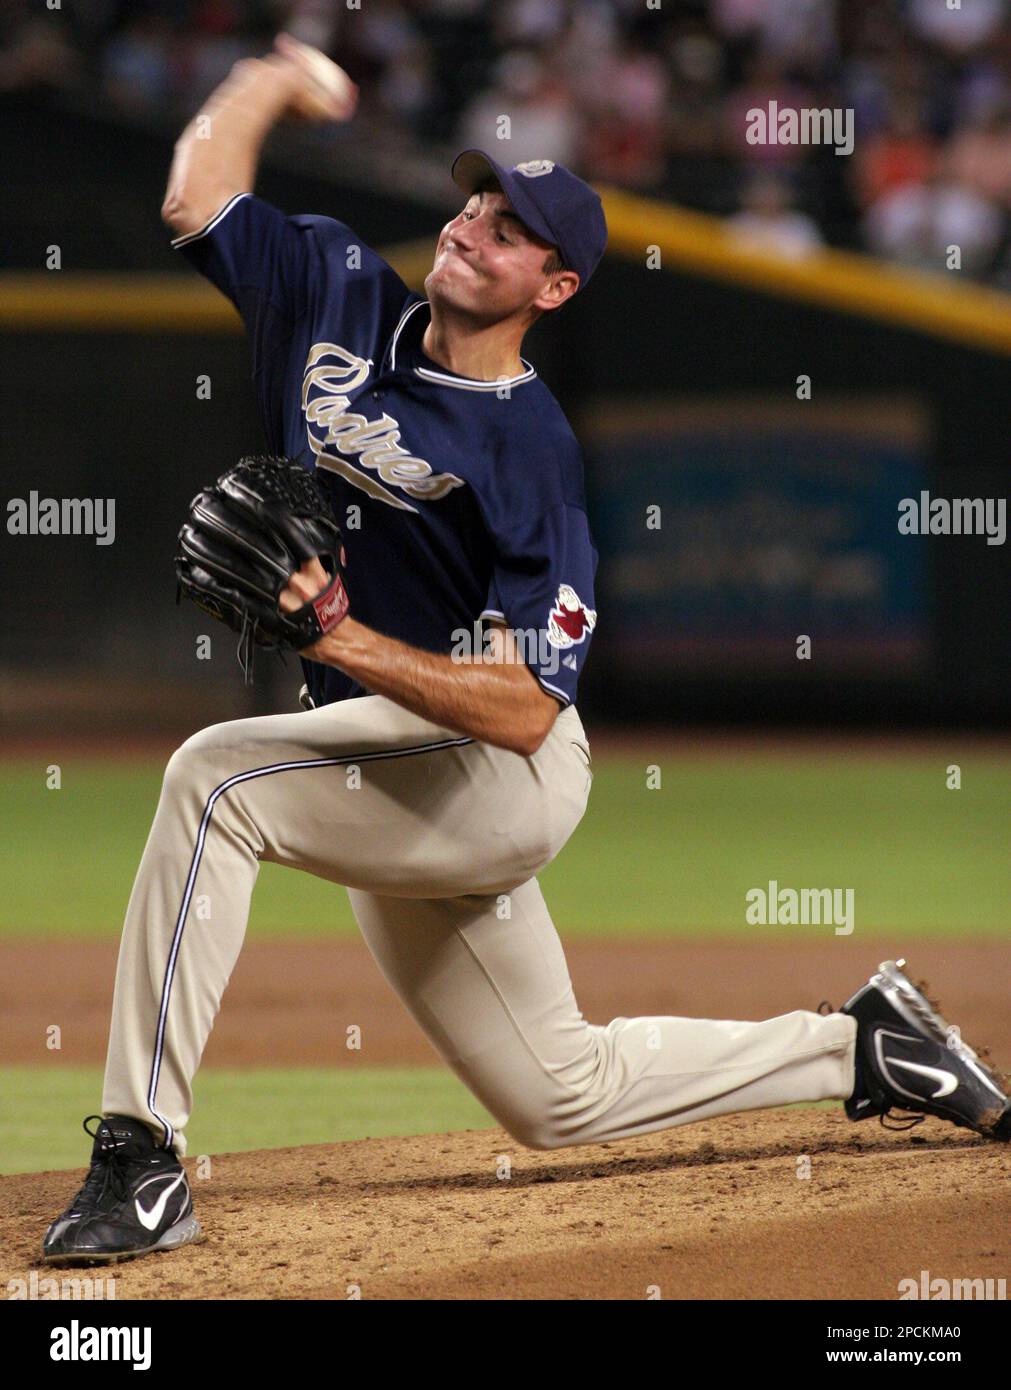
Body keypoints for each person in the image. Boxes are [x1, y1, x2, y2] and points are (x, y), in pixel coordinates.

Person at [41, 37, 1009, 1267]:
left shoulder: (533, 454)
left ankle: (141, 1159)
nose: (471, 228)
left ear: (554, 289)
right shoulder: (337, 287)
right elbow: (196, 195)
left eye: (510, 231)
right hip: (376, 754)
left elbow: (522, 712)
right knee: (560, 1093)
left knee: (212, 783)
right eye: (474, 203)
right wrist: (276, 77)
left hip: (494, 770)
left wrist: (338, 633)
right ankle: (861, 1043)